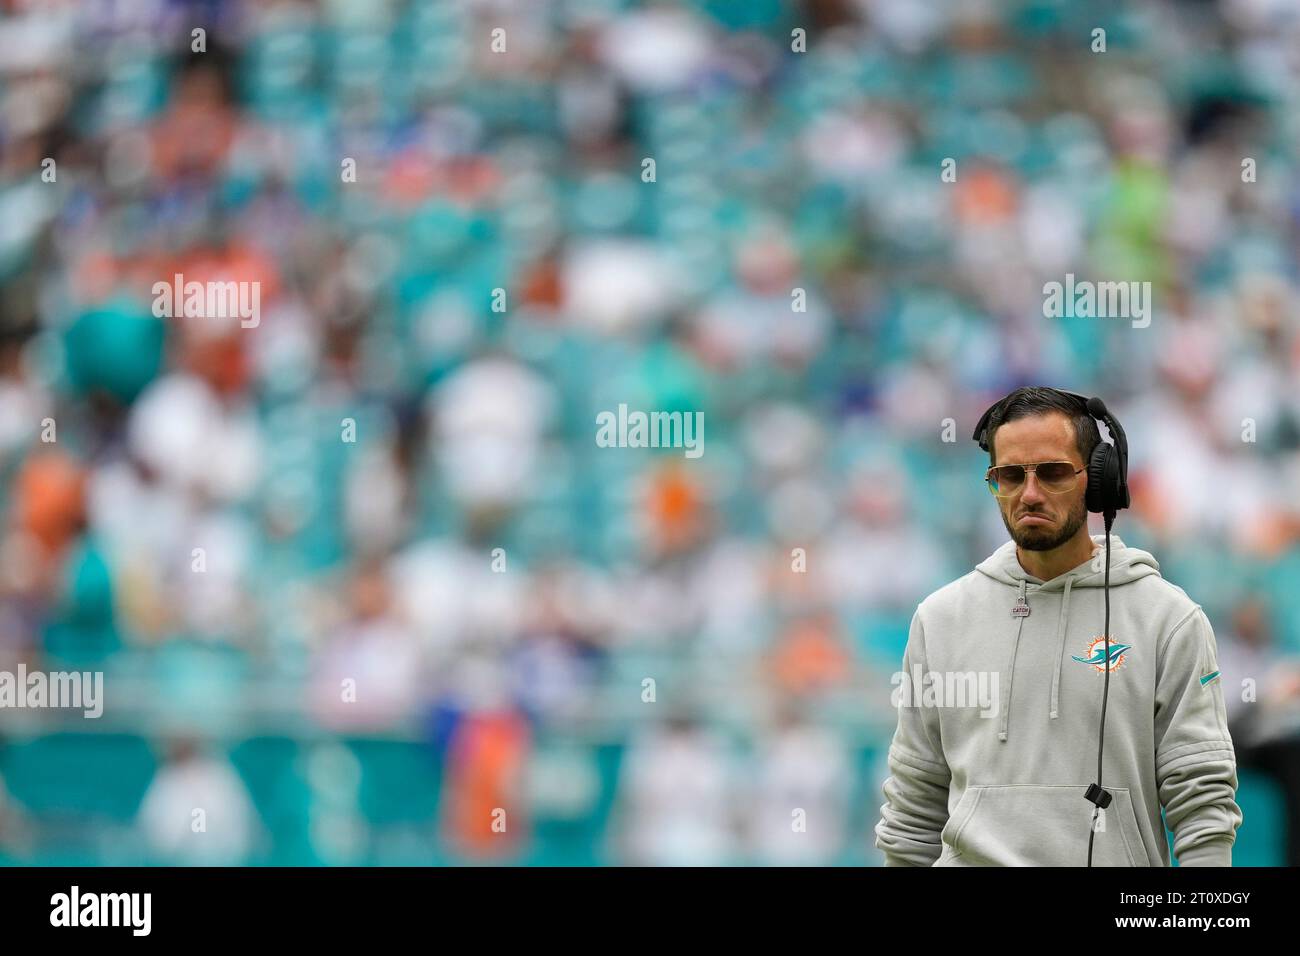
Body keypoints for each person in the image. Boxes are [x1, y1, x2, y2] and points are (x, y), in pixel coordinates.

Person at [874, 386, 1243, 866]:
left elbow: (1202, 804)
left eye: (1050, 473)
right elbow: (912, 806)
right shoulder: (940, 620)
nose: (1029, 493)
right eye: (1010, 476)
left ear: (1097, 479)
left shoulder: (1168, 620)